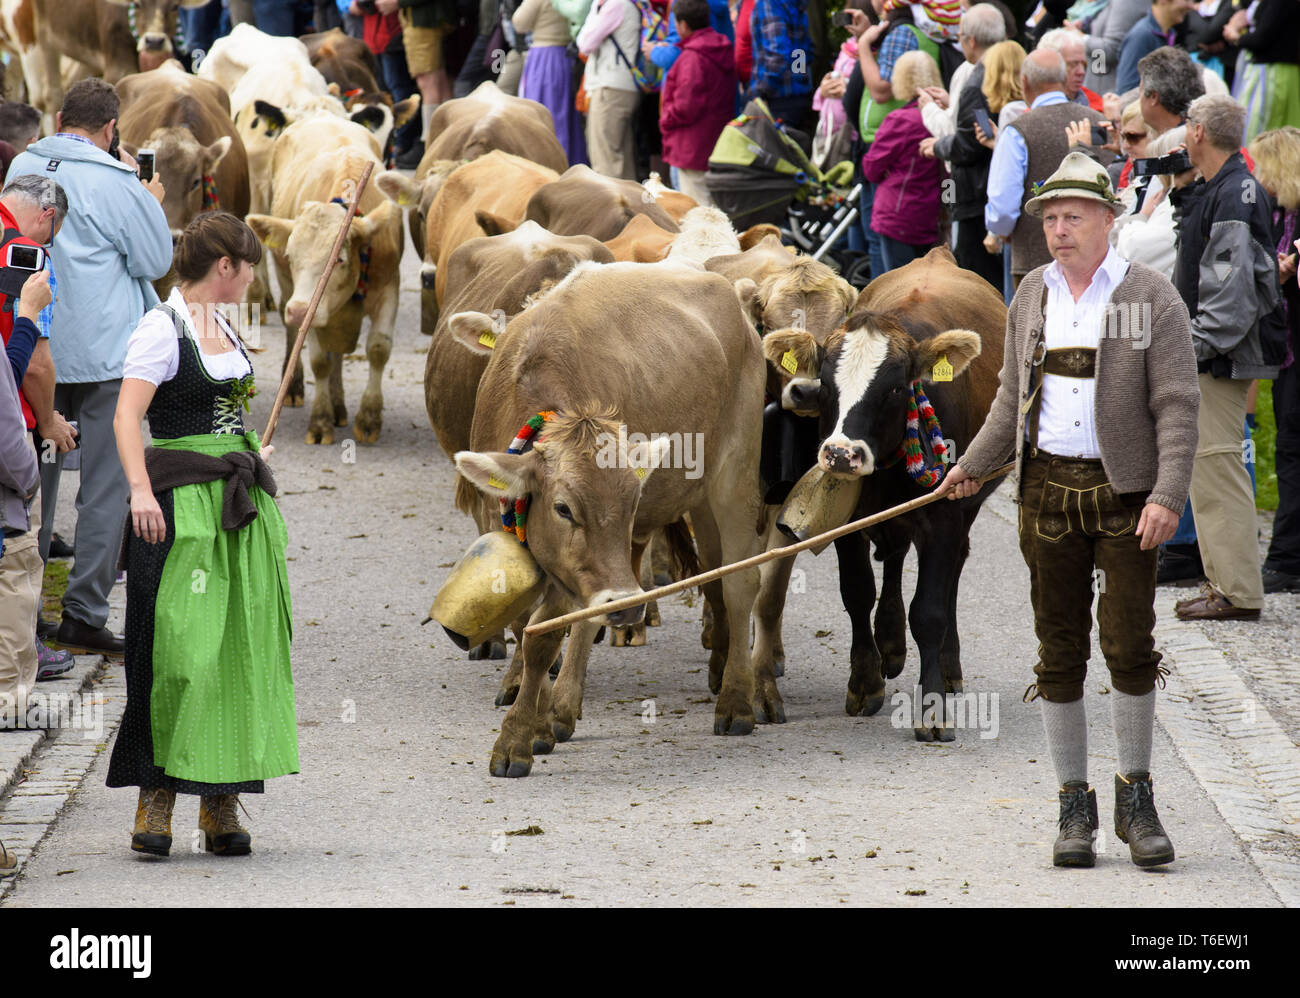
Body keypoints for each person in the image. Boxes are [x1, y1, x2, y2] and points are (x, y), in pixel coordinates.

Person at [939, 152, 1199, 870]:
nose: (1058, 230)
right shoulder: (1030, 295)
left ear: (1107, 220)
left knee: (1129, 645)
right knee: (1059, 653)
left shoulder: (1150, 296)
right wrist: (968, 465)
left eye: (1072, 217)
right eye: (1050, 218)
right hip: (1046, 496)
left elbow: (1177, 403)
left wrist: (1167, 495)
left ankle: (1137, 798)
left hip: (1125, 499)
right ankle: (1073, 809)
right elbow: (1007, 402)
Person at [107, 211, 298, 859]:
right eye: (249, 269)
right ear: (226, 268)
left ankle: (220, 802)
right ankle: (154, 796)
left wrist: (249, 447)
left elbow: (227, 414)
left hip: (233, 509)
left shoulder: (226, 327)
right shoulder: (161, 330)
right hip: (177, 506)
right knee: (173, 649)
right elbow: (126, 416)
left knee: (235, 649)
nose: (253, 281)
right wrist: (138, 490)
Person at [6, 78, 172, 656]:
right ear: (110, 129)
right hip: (101, 355)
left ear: (57, 116)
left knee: (33, 483)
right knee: (103, 488)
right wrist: (146, 200)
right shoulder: (117, 179)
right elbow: (155, 259)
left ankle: (22, 619)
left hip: (29, 350)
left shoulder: (20, 166)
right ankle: (82, 614)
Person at [1171, 95, 1284, 620]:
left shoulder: (1236, 192)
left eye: (1185, 126)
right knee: (1209, 469)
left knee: (1219, 470)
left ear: (1197, 132)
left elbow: (1231, 297)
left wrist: (1187, 348)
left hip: (1217, 358)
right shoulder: (1222, 187)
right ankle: (1224, 584)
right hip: (1212, 353)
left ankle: (1237, 593)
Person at [0, 176, 75, 709]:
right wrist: (47, 422)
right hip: (10, 423)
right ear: (47, 216)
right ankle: (15, 676)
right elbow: (36, 363)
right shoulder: (27, 256)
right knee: (18, 554)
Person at [984, 48, 1112, 287]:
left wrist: (1000, 231)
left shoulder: (1018, 130)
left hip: (1034, 266)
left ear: (1024, 82)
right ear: (1063, 79)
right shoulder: (1097, 120)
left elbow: (1002, 208)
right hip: (1095, 263)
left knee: (1033, 325)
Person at [920, 6, 1008, 290]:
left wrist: (938, 146)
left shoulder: (977, 82)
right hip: (996, 191)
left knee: (976, 280)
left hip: (976, 195)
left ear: (970, 40)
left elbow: (970, 143)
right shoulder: (1009, 69)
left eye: (959, 35)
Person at [1248, 126, 1300, 593]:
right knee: (1288, 446)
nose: (1257, 177)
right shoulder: (1283, 215)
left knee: (1292, 450)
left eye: (1264, 166)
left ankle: (1287, 558)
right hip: (1286, 354)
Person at [862, 50, 944, 269]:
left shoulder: (901, 119)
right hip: (930, 214)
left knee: (897, 290)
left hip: (898, 213)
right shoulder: (946, 116)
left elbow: (871, 168)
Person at [659, 0, 735, 205]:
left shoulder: (692, 58)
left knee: (697, 210)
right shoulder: (722, 47)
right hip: (714, 140)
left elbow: (685, 106)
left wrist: (665, 119)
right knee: (711, 207)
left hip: (691, 146)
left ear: (683, 25)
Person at [513, 0, 589, 165]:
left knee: (544, 116)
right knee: (565, 117)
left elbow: (520, 23)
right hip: (566, 56)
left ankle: (548, 165)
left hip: (544, 58)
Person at [577, 0, 642, 180]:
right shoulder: (630, 4)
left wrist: (596, 8)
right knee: (621, 157)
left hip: (609, 88)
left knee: (605, 160)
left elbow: (585, 43)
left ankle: (611, 205)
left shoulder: (615, 5)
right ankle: (629, 204)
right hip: (623, 87)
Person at [1222, 0, 1300, 141]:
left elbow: (1262, 38)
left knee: (1258, 131)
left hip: (1272, 73)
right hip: (1272, 70)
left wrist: (1236, 36)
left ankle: (1251, 162)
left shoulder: (1279, 3)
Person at [746, 0, 813, 130]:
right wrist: (797, 81)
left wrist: (760, 92)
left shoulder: (769, 4)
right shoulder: (796, 4)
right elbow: (803, 52)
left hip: (775, 100)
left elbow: (777, 55)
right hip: (798, 97)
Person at [1115, 0, 1195, 94]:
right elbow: (1126, 91)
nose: (1191, 6)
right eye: (1186, 0)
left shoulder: (1168, 33)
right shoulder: (1141, 36)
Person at [1077, 0, 1151, 96]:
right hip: (1097, 90)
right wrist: (1084, 28)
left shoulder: (1127, 3)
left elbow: (1111, 50)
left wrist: (1081, 38)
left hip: (1108, 95)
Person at [1037, 26, 1104, 109]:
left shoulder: (1098, 105)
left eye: (1083, 64)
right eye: (1073, 64)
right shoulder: (1032, 111)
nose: (1081, 72)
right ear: (1050, 66)